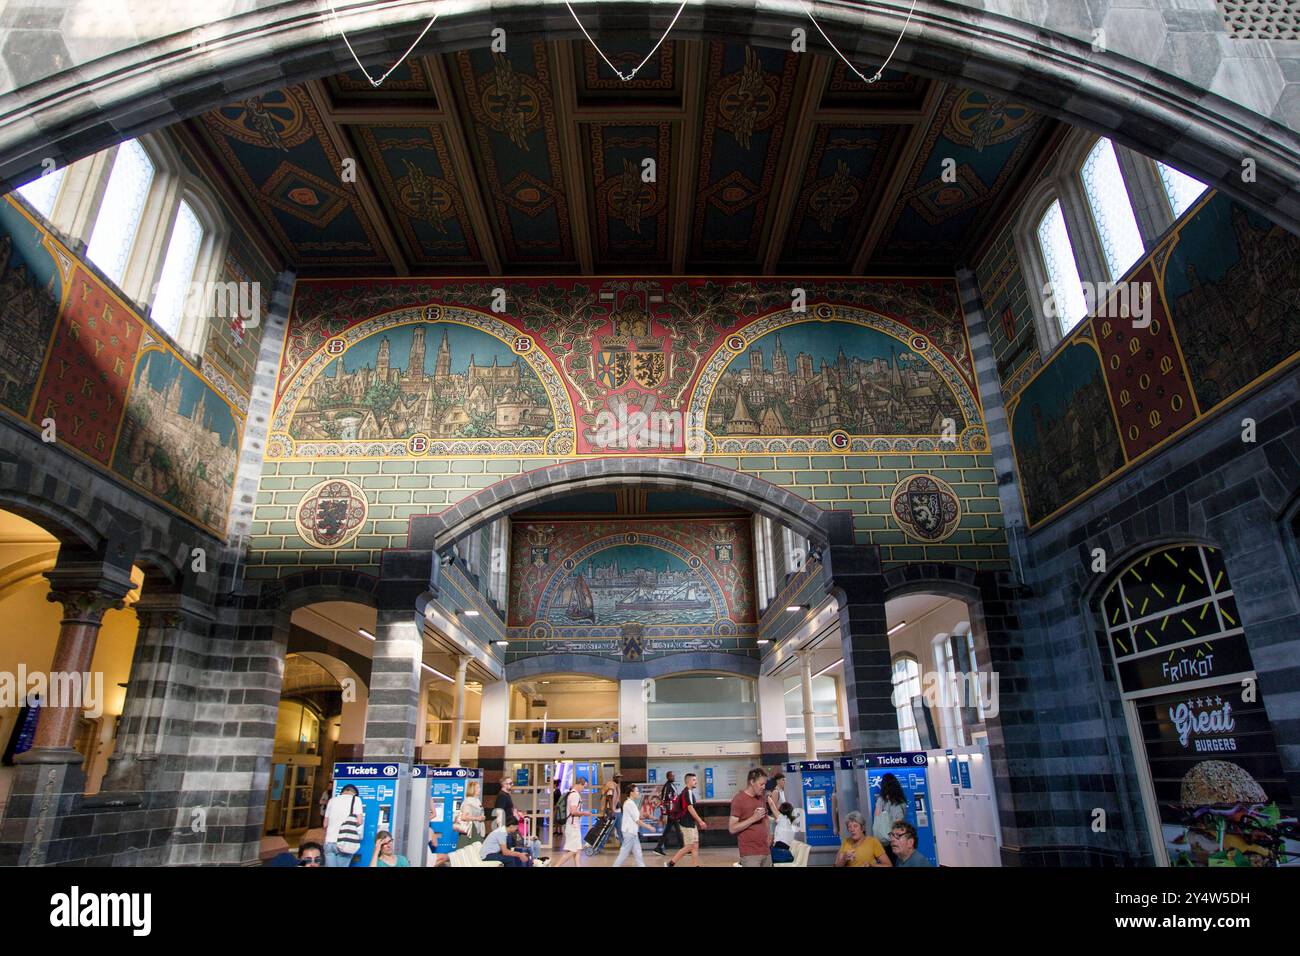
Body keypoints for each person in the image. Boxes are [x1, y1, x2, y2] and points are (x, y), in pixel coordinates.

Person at [729, 768, 773, 867]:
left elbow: (765, 818)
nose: (764, 787)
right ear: (752, 782)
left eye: (765, 784)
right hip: (750, 853)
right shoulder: (739, 799)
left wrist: (769, 834)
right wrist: (753, 818)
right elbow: (732, 828)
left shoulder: (761, 798)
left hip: (766, 851)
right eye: (761, 784)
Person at [666, 772, 708, 867]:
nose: (696, 782)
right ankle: (671, 863)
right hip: (687, 823)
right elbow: (690, 808)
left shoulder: (687, 792)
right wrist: (700, 821)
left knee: (695, 845)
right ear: (688, 781)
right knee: (689, 846)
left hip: (691, 823)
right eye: (694, 780)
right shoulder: (687, 792)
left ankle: (695, 865)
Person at [612, 783, 656, 867]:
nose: (638, 792)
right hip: (630, 833)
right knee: (624, 854)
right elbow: (637, 820)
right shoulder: (629, 804)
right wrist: (649, 827)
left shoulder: (630, 803)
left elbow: (637, 817)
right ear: (631, 792)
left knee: (638, 853)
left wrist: (648, 816)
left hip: (633, 833)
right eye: (637, 791)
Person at [553, 776, 593, 867]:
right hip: (573, 826)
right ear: (580, 784)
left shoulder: (571, 793)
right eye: (584, 786)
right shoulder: (575, 795)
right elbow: (573, 811)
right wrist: (585, 813)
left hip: (573, 825)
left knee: (578, 850)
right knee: (573, 850)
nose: (584, 788)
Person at [322, 784, 364, 868]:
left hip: (329, 842)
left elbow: (325, 824)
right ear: (354, 793)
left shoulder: (332, 800)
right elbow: (359, 821)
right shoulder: (356, 799)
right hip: (344, 841)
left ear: (342, 792)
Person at [872, 773, 908, 863]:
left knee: (886, 862)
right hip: (895, 838)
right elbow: (899, 821)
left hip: (883, 839)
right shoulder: (900, 801)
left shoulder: (880, 800)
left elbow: (876, 817)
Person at [652, 771, 679, 856]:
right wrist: (666, 813)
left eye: (674, 775)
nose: (674, 777)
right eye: (672, 776)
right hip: (671, 812)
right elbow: (664, 801)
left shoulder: (672, 785)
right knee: (678, 830)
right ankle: (685, 848)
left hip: (673, 811)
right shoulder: (667, 786)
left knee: (669, 830)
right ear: (668, 777)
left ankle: (658, 847)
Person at [455, 780, 486, 850]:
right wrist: (478, 818)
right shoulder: (468, 801)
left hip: (475, 829)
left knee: (470, 849)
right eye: (478, 788)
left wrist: (482, 817)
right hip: (469, 830)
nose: (480, 789)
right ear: (473, 789)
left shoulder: (477, 800)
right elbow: (463, 817)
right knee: (464, 849)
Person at [601, 773, 624, 846]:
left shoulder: (616, 786)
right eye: (618, 777)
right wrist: (612, 810)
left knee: (619, 829)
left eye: (620, 777)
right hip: (613, 812)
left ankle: (624, 846)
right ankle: (599, 846)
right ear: (614, 778)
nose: (619, 779)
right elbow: (609, 798)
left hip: (617, 811)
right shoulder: (611, 785)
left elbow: (615, 798)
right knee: (608, 830)